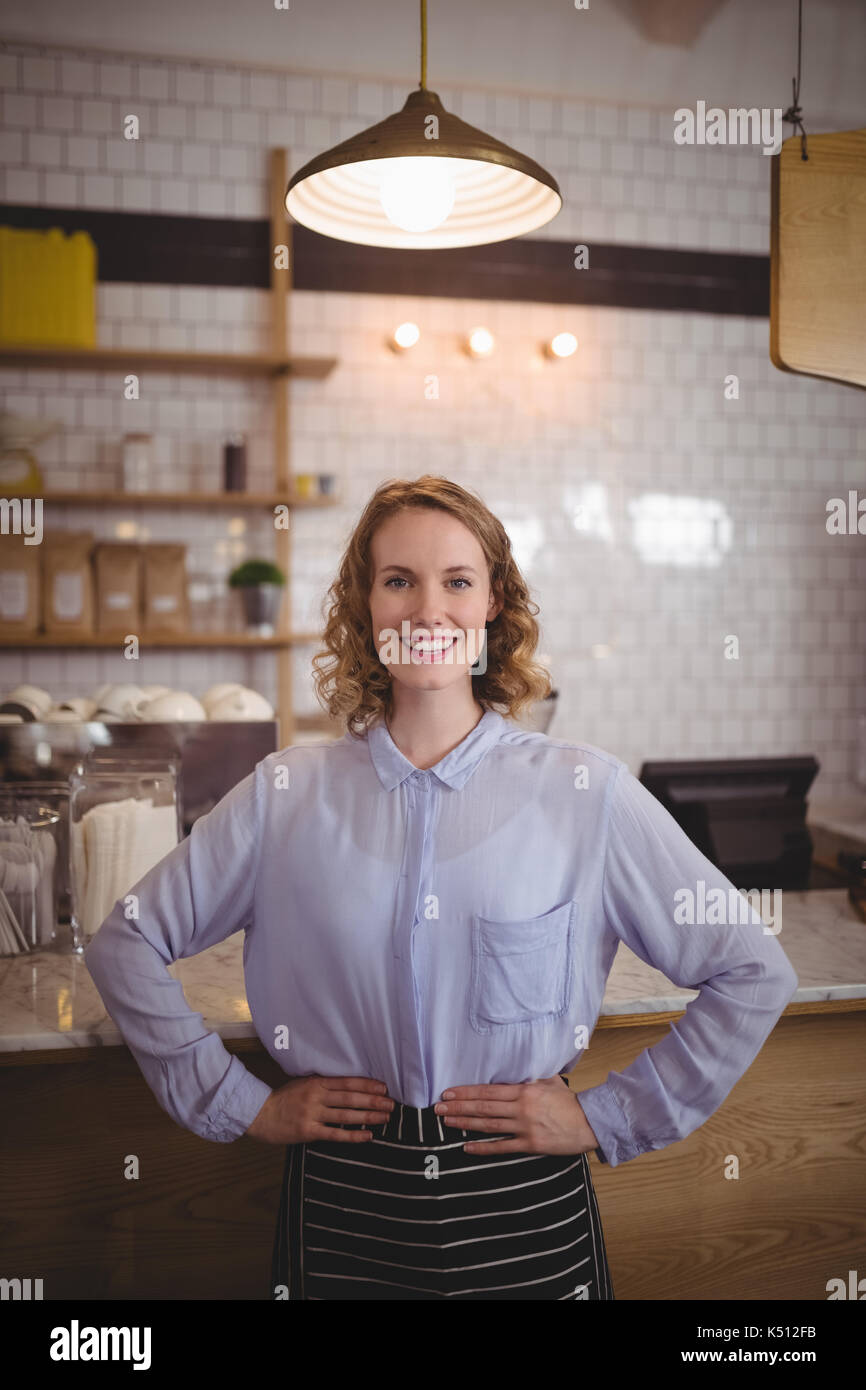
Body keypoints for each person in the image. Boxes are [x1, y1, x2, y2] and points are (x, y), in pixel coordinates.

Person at [85, 474, 799, 1301]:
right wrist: (239, 1102)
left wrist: (608, 1117)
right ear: (365, 604)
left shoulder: (586, 794)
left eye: (457, 581)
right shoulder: (284, 796)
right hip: (346, 1204)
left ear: (494, 602)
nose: (428, 611)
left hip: (525, 1199)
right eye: (399, 581)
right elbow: (126, 942)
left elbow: (754, 971)